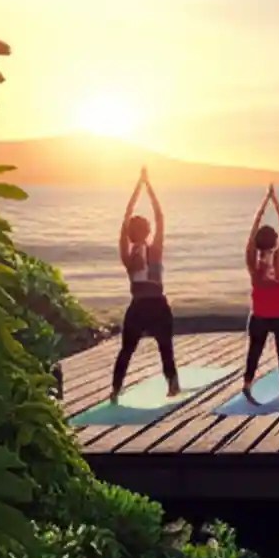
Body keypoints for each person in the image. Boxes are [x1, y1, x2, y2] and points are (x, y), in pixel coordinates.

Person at [111, 166, 178, 403]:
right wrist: (147, 186)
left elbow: (123, 222)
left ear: (129, 233)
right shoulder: (155, 251)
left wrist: (136, 189)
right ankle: (172, 384)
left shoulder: (128, 256)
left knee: (126, 351)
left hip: (138, 306)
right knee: (165, 348)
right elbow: (160, 217)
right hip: (158, 305)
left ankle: (116, 389)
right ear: (147, 231)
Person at [241, 184, 279, 404]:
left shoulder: (253, 263)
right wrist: (277, 205)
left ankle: (247, 383)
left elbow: (252, 236)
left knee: (254, 352)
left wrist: (262, 207)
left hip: (259, 316)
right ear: (275, 242)